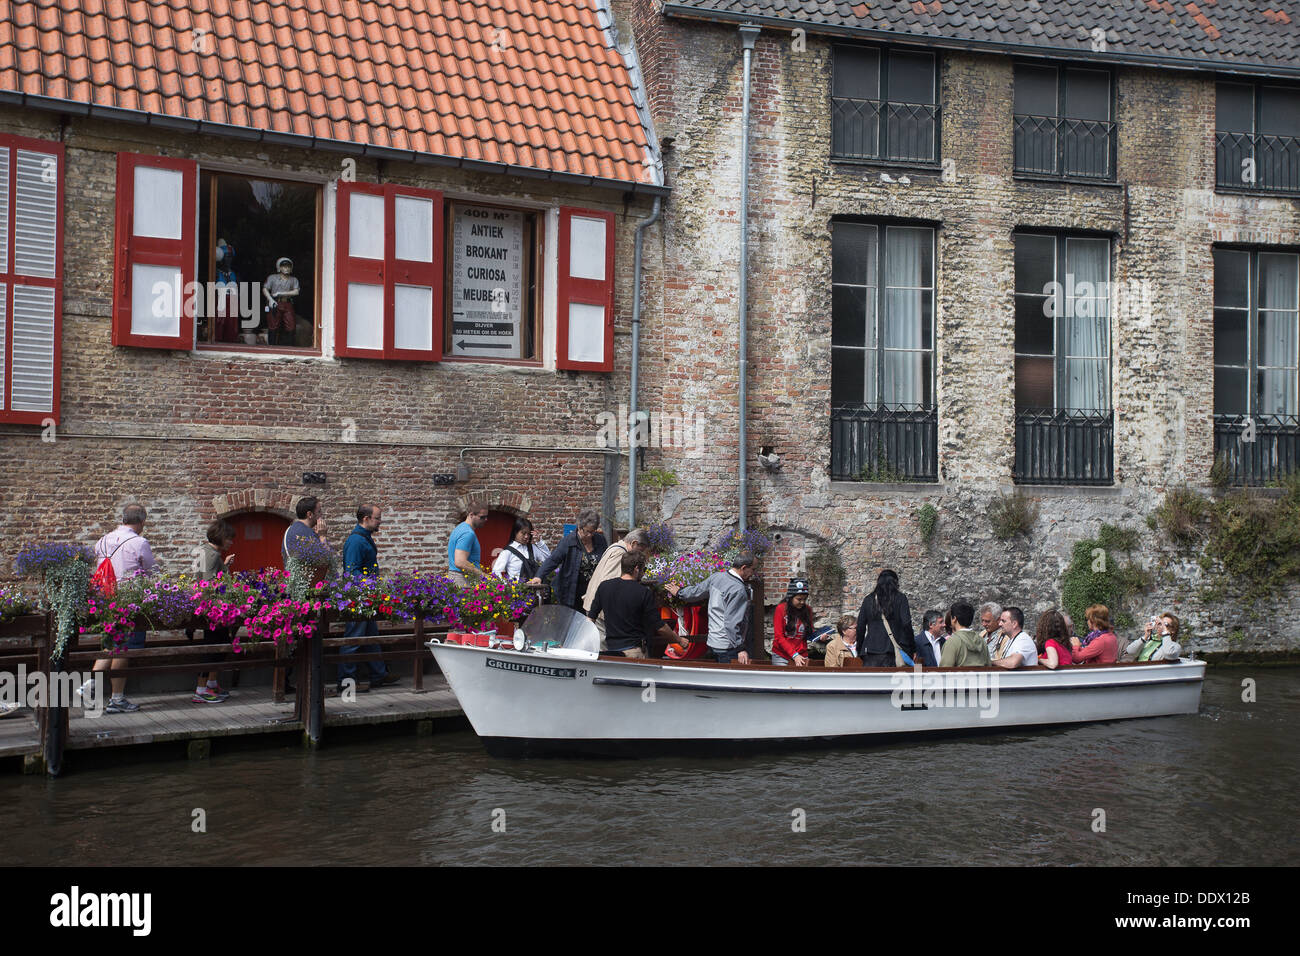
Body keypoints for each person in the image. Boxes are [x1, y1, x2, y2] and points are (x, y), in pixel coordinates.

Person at [87, 504, 158, 713]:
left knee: (109, 645)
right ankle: (116, 699)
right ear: (142, 521)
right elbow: (152, 571)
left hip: (105, 599)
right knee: (124, 650)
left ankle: (89, 686)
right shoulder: (139, 542)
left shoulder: (103, 540)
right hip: (129, 601)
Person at [334, 505, 397, 694]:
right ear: (366, 519)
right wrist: (369, 587)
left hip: (366, 597)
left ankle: (379, 674)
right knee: (353, 640)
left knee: (371, 638)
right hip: (358, 598)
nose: (380, 522)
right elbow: (351, 573)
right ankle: (346, 684)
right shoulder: (356, 541)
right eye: (377, 518)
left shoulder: (364, 539)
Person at [666, 551, 756, 664]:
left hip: (712, 642)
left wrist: (679, 592)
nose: (753, 573)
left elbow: (696, 592)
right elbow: (731, 623)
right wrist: (740, 648)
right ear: (743, 568)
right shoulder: (738, 590)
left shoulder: (716, 577)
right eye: (753, 569)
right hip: (728, 646)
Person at [586, 551, 676, 658]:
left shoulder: (604, 587)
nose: (644, 573)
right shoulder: (643, 592)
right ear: (636, 569)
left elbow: (590, 619)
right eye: (644, 570)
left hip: (611, 652)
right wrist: (679, 640)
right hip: (634, 652)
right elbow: (659, 626)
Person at [528, 509, 608, 611]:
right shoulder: (568, 541)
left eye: (593, 531)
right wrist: (539, 576)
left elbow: (606, 560)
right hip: (571, 592)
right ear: (579, 527)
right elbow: (553, 560)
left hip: (592, 592)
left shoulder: (600, 540)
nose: (590, 535)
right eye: (587, 531)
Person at [193, 519, 236, 703]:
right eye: (229, 538)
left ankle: (211, 684)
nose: (231, 542)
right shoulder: (211, 555)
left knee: (219, 646)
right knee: (212, 649)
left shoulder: (205, 551)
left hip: (210, 610)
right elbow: (209, 584)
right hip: (213, 612)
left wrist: (225, 565)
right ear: (221, 537)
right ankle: (201, 691)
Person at [583, 529, 650, 637]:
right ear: (634, 543)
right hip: (600, 611)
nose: (640, 555)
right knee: (605, 650)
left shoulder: (614, 547)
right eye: (640, 550)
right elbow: (609, 583)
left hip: (596, 606)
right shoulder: (620, 554)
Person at [854, 569, 915, 667]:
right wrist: (912, 649)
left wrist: (859, 648)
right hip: (893, 652)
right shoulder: (900, 598)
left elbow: (860, 627)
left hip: (871, 651)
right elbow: (906, 624)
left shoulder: (868, 600)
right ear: (895, 583)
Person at [771, 578, 814, 666]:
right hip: (782, 655)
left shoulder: (808, 610)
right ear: (791, 597)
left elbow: (808, 633)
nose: (802, 602)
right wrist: (794, 655)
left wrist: (819, 637)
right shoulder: (781, 609)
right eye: (799, 599)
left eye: (805, 599)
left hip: (801, 655)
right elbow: (779, 637)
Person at [939, 602, 991, 666]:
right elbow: (989, 666)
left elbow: (944, 670)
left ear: (954, 619)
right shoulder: (982, 641)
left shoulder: (952, 642)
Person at [448, 507, 490, 586]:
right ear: (471, 515)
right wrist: (483, 575)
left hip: (457, 578)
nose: (486, 520)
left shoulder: (460, 528)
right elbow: (460, 562)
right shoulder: (468, 533)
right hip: (463, 581)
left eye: (486, 516)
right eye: (482, 517)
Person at [282, 496, 322, 564]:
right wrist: (322, 536)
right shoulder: (306, 532)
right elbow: (323, 561)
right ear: (310, 514)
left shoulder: (291, 529)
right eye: (319, 511)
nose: (321, 514)